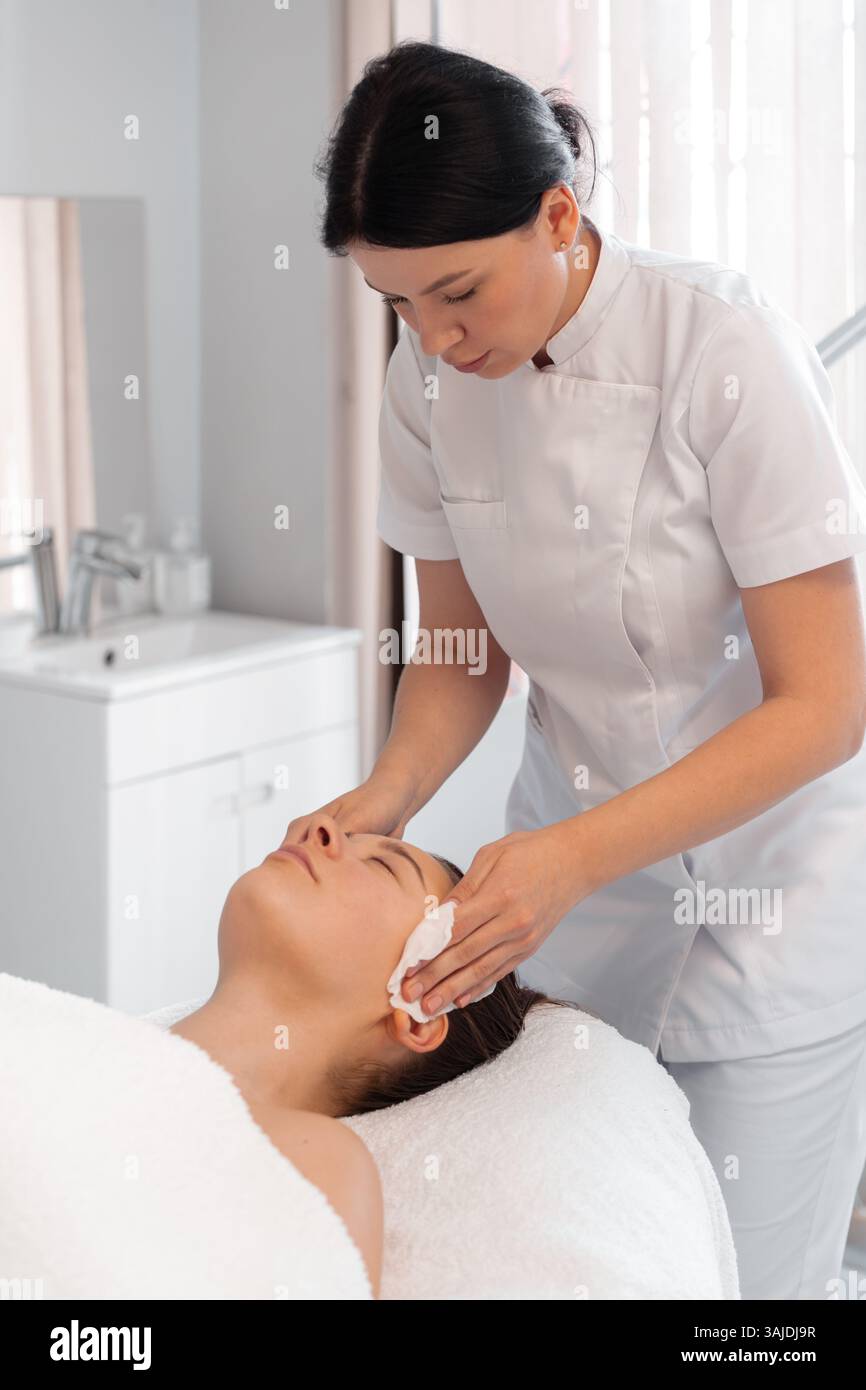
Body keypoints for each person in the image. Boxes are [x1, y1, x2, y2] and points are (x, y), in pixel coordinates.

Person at [301, 40, 866, 1298]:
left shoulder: (718, 348)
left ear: (558, 215)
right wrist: (379, 802)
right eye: (394, 305)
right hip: (575, 905)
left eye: (456, 294)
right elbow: (457, 659)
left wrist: (571, 857)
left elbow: (826, 706)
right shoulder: (424, 382)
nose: (434, 341)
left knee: (751, 1298)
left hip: (772, 900)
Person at [169, 812, 568, 1298]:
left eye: (384, 866)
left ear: (420, 1011)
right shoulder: (70, 1035)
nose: (319, 825)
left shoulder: (313, 1166)